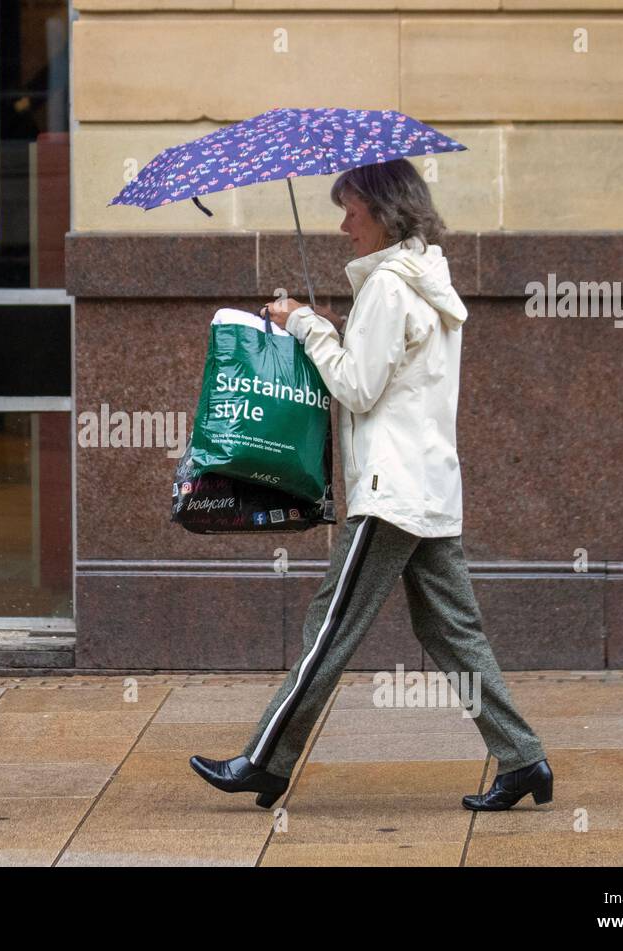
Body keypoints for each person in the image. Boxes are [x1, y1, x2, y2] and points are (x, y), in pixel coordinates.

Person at [190, 159, 553, 812]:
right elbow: (385, 375)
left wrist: (305, 324)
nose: (341, 225)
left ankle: (265, 762)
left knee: (328, 631)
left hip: (390, 494)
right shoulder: (426, 281)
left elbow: (357, 387)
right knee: (453, 636)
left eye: (351, 211)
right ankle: (524, 759)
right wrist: (337, 329)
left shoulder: (388, 288)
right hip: (430, 489)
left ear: (384, 214)